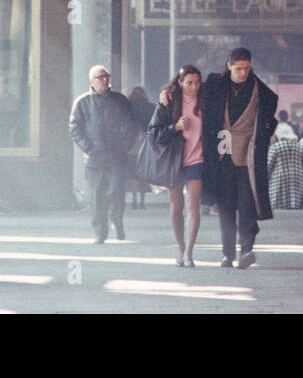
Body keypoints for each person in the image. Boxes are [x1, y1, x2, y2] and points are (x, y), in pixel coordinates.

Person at [198, 47, 278, 268]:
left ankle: (246, 250)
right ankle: (227, 253)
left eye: (246, 68)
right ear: (229, 66)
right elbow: (189, 87)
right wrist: (168, 91)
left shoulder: (260, 92)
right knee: (225, 207)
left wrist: (262, 136)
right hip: (221, 157)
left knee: (247, 206)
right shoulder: (215, 85)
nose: (243, 73)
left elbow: (270, 119)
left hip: (248, 159)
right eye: (239, 68)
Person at [69, 64, 141, 243]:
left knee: (117, 190)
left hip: (117, 154)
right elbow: (75, 127)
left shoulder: (120, 100)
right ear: (91, 81)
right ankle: (100, 232)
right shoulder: (82, 102)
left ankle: (117, 221)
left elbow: (131, 124)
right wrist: (88, 148)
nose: (104, 80)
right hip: (95, 156)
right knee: (96, 195)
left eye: (106, 76)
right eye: (100, 77)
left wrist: (126, 145)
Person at [150, 65, 205, 266]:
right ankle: (180, 248)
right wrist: (175, 127)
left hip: (197, 159)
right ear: (180, 83)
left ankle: (189, 252)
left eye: (197, 82)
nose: (194, 86)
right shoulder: (169, 102)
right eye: (189, 82)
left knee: (192, 204)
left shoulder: (205, 100)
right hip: (174, 160)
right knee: (176, 205)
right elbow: (154, 132)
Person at [267, 121, 303, 210]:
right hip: (296, 178)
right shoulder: (299, 146)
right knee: (294, 202)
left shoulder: (276, 147)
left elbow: (268, 165)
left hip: (279, 178)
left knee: (279, 204)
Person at [127, 86, 156, 209]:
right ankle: (142, 201)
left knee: (133, 172)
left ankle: (134, 199)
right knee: (143, 172)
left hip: (132, 141)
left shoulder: (127, 107)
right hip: (146, 140)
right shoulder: (151, 107)